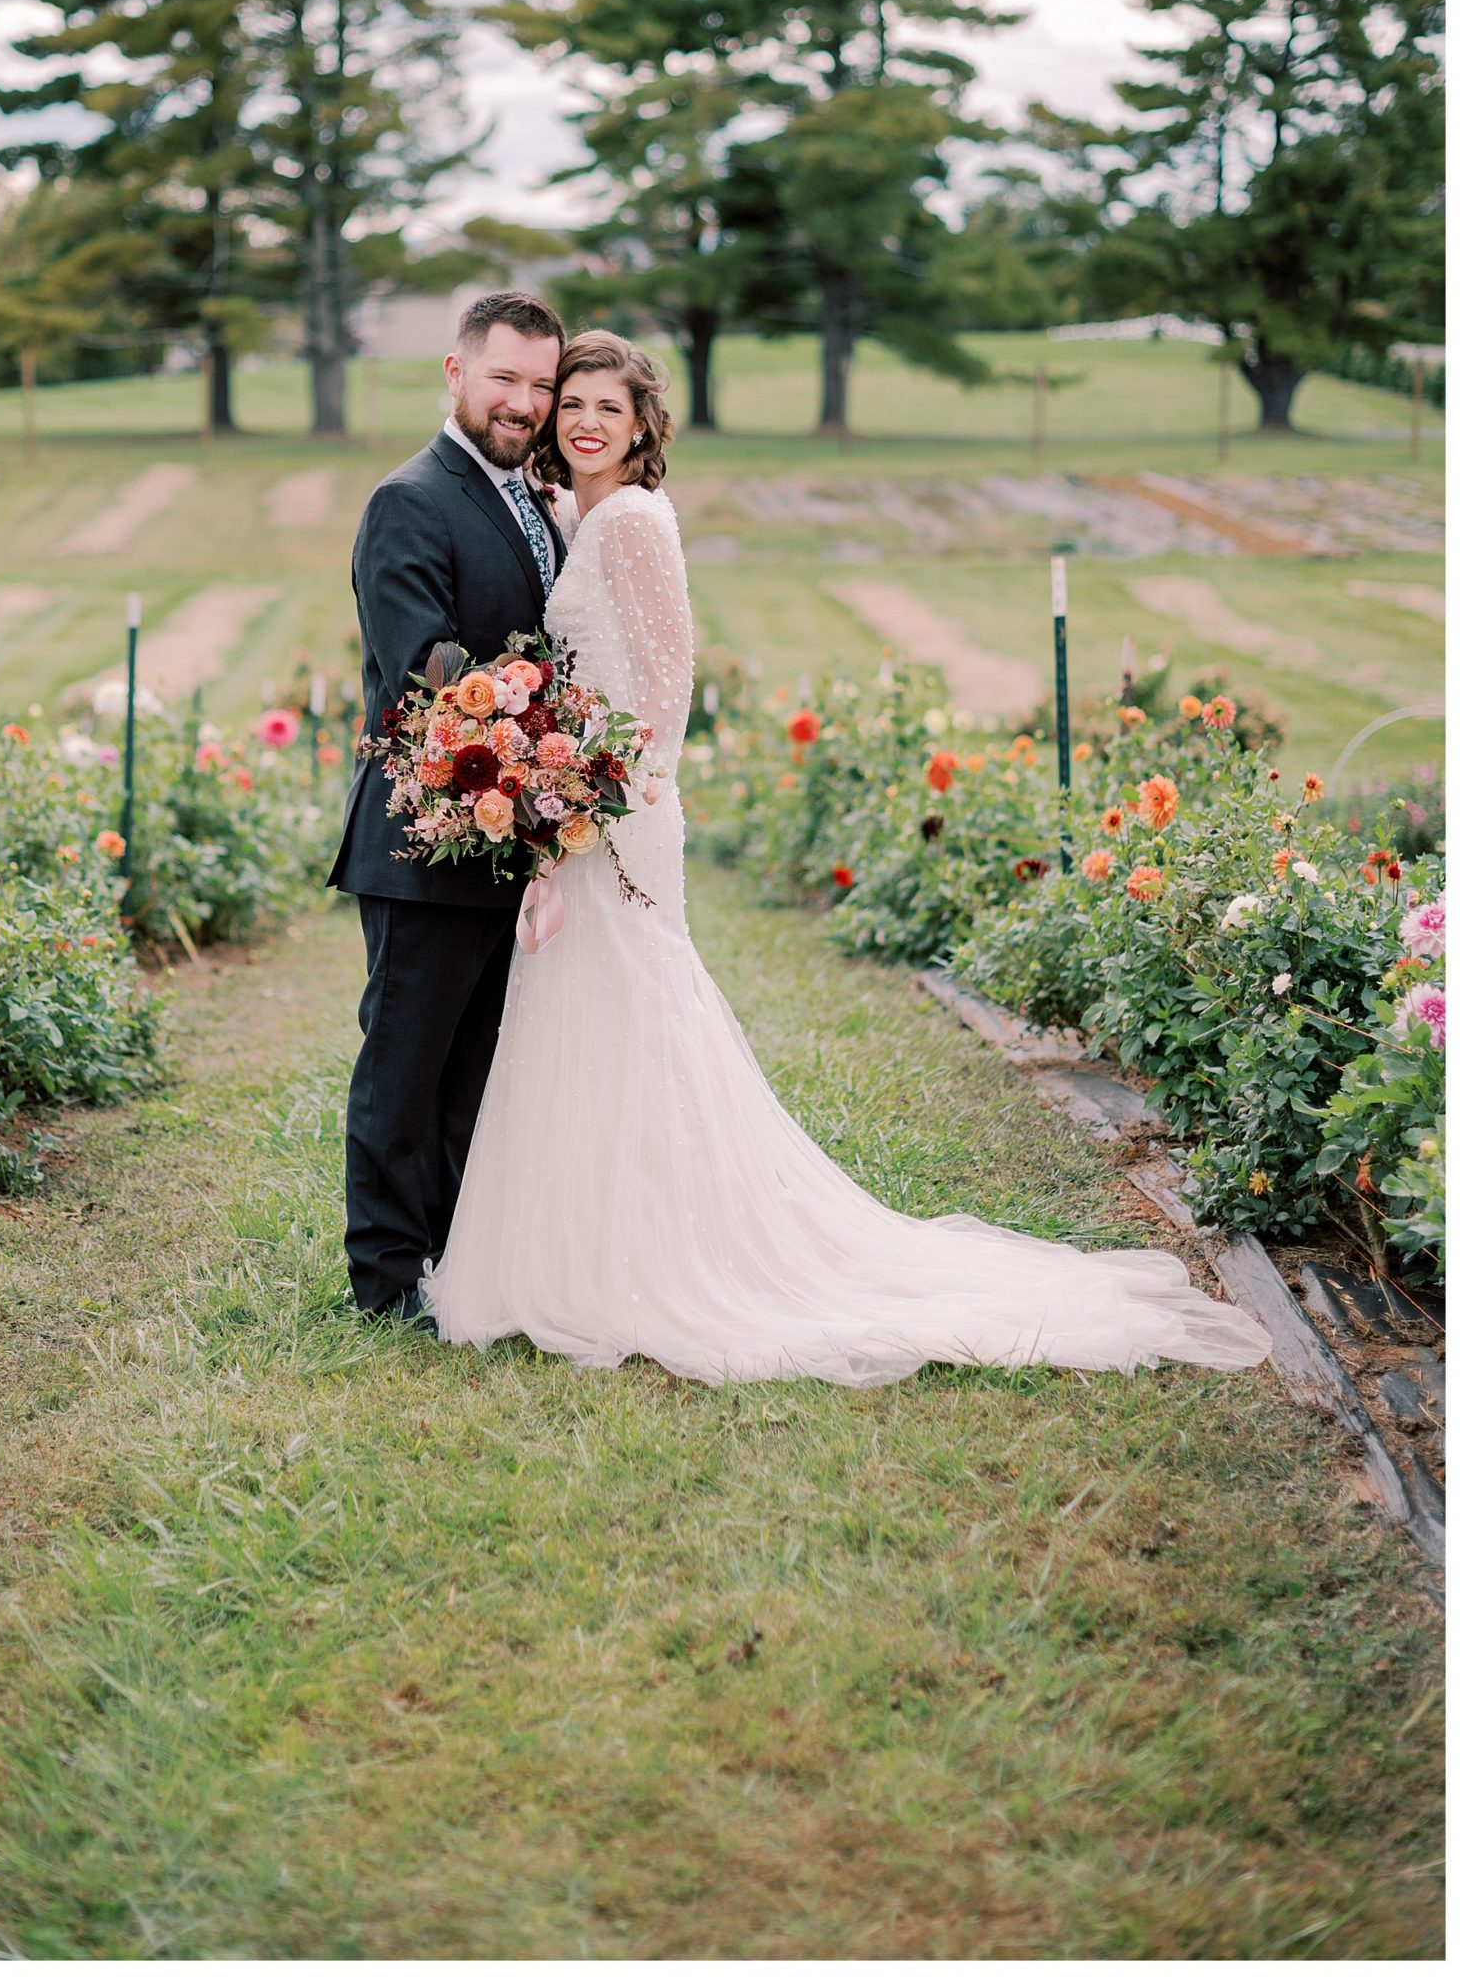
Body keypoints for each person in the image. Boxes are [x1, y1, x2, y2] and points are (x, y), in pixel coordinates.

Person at [421, 330, 1274, 1386]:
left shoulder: (633, 519)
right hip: (581, 800)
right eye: (573, 404)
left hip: (622, 806)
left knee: (632, 1000)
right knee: (585, 1002)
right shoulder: (574, 514)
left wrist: (609, 795)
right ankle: (579, 1245)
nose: (587, 422)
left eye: (610, 406)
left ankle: (656, 1253)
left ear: (642, 426)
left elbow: (672, 681)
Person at [328, 291, 567, 1322]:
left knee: (472, 1070)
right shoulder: (411, 499)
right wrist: (546, 733)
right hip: (422, 840)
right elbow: (422, 667)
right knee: (406, 1065)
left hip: (505, 833)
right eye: (504, 377)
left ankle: (450, 1262)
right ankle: (385, 1281)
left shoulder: (530, 498)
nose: (524, 402)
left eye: (541, 385)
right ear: (456, 372)